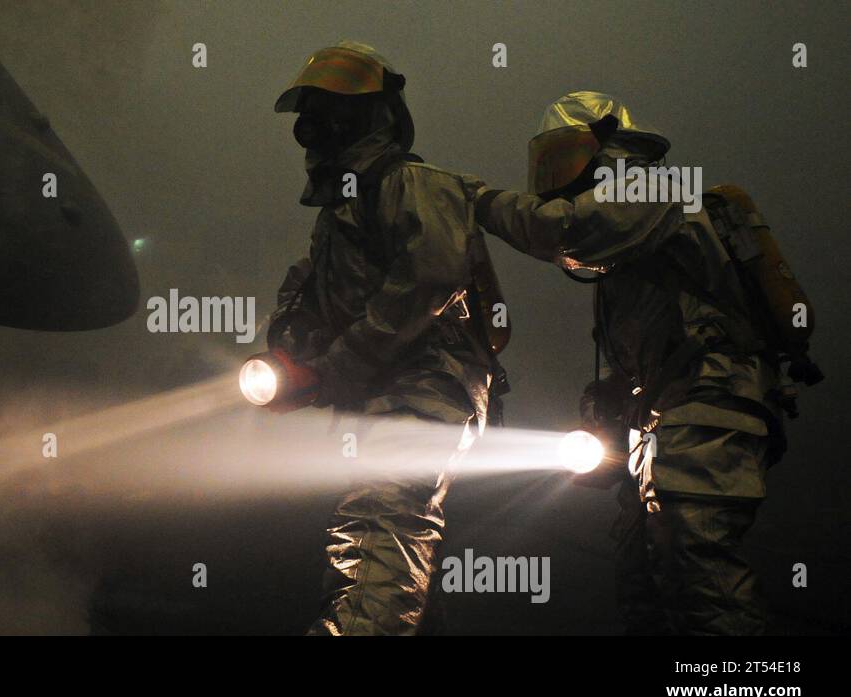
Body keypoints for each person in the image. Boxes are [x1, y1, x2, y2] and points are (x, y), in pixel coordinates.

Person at [472, 91, 820, 634]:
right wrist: (608, 407)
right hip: (664, 415)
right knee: (646, 579)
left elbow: (559, 228)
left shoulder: (650, 191)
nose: (555, 172)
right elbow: (645, 353)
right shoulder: (626, 246)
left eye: (566, 155)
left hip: (710, 399)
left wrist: (472, 198)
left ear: (609, 150)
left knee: (696, 560)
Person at [266, 42, 508, 635]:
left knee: (381, 539)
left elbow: (428, 280)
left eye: (328, 111)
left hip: (425, 387)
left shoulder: (408, 183)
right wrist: (295, 345)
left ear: (367, 115)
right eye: (310, 113)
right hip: (384, 397)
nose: (312, 129)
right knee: (366, 543)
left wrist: (335, 365)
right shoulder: (339, 219)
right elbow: (311, 298)